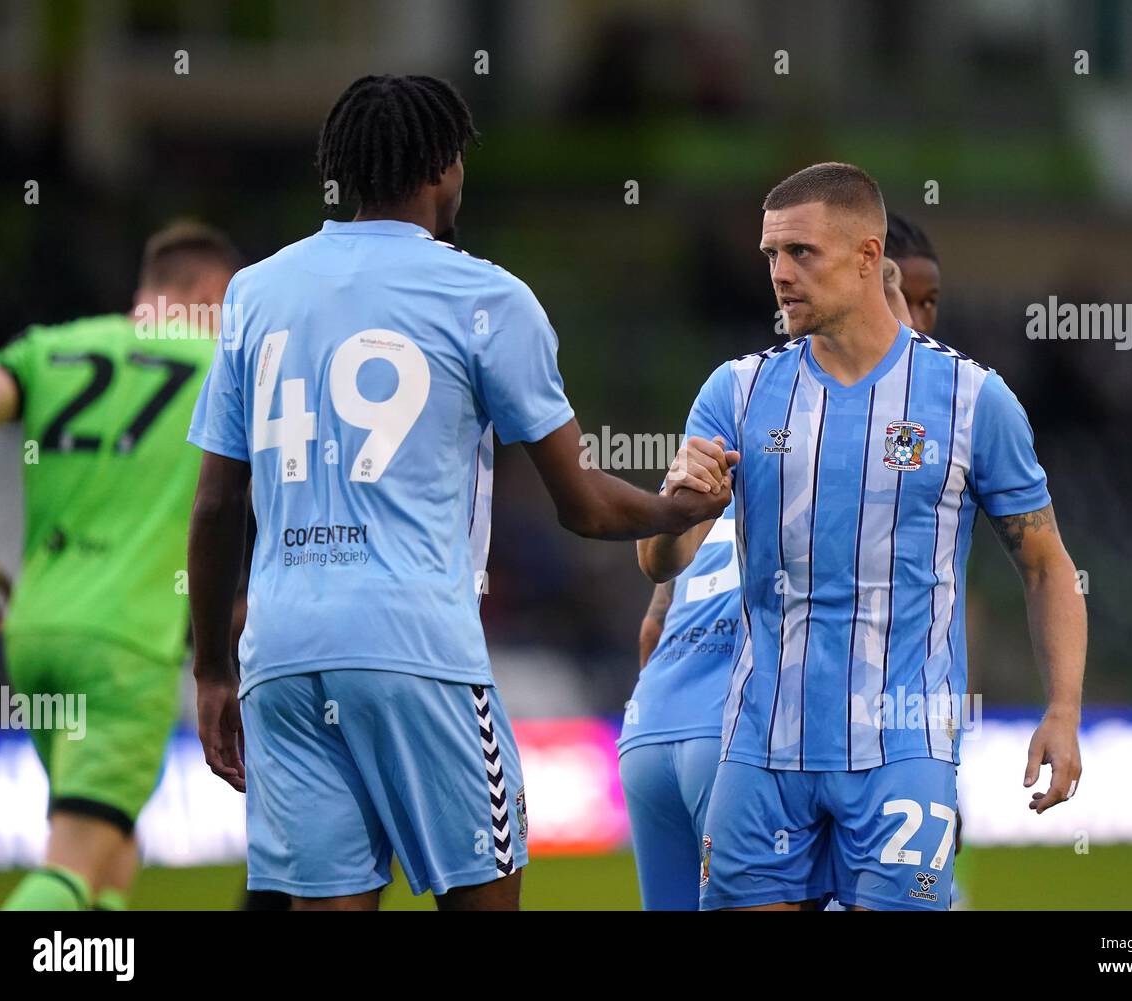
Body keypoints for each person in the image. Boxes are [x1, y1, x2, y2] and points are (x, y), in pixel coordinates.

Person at [185, 74, 728, 912]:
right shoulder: (487, 297)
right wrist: (676, 511)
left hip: (281, 656)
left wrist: (213, 670)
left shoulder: (256, 292)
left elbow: (219, 503)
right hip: (417, 651)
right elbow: (580, 503)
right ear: (440, 166)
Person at [638, 162, 1085, 911]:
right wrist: (674, 511)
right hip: (760, 748)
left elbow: (1046, 565)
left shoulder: (972, 400)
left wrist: (1063, 711)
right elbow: (660, 560)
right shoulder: (737, 391)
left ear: (868, 256)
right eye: (770, 254)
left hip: (902, 751)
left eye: (800, 252)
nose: (779, 274)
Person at [617, 256, 915, 910]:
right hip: (747, 736)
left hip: (651, 730)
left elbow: (651, 619)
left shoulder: (743, 454)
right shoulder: (866, 467)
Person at [0, 221, 241, 910]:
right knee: (71, 861)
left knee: (111, 855)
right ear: (215, 294)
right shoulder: (227, 363)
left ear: (145, 293)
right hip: (125, 643)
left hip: (33, 633)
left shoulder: (54, 347)